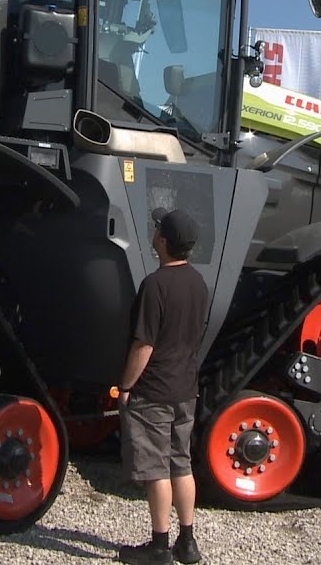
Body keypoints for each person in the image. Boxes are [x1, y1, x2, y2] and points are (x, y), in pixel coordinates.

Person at [115, 208, 208, 565]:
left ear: (164, 241)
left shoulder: (154, 285)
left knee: (156, 470)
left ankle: (158, 547)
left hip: (154, 391)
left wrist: (126, 385)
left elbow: (144, 345)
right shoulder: (198, 283)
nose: (153, 231)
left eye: (157, 228)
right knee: (181, 465)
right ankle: (188, 542)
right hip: (187, 389)